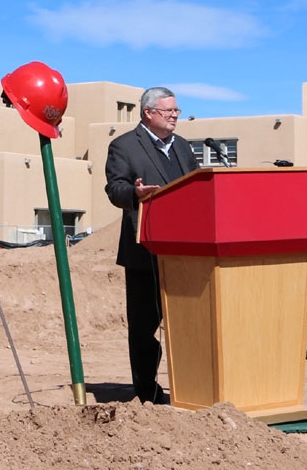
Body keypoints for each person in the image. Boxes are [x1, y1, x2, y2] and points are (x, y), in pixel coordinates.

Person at [104, 86, 199, 404]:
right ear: (148, 113)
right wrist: (136, 193)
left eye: (176, 112)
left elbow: (197, 186)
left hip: (185, 250)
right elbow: (114, 188)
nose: (175, 117)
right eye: (169, 111)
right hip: (145, 249)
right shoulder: (125, 146)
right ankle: (146, 391)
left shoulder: (183, 147)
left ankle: (192, 385)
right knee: (145, 325)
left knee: (188, 321)